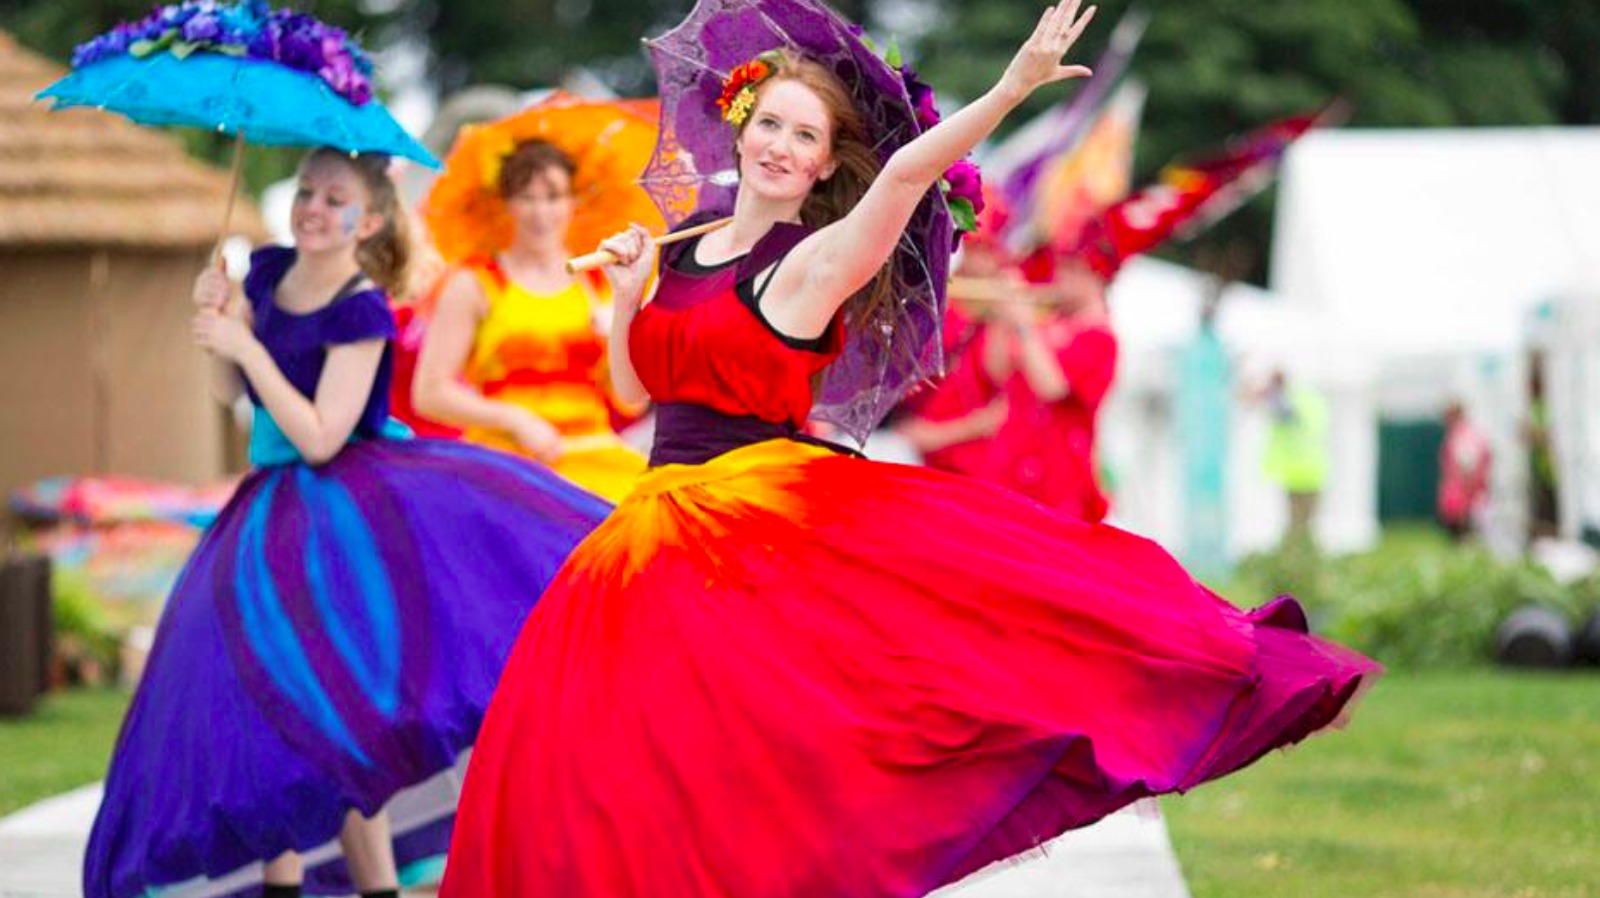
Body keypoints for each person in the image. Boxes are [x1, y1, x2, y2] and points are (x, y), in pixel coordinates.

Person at [442, 6, 1377, 896]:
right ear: (739, 128)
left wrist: (1010, 89)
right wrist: (626, 294)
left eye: (805, 136)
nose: (781, 146)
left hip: (751, 530)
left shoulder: (815, 261)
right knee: (600, 758)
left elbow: (900, 179)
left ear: (822, 164)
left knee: (754, 765)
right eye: (770, 124)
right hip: (645, 532)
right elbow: (632, 393)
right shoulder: (676, 255)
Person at [83, 148, 612, 898]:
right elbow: (233, 391)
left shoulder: (362, 308)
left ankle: (376, 885)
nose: (313, 208)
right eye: (306, 192)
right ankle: (289, 880)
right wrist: (222, 325)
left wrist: (247, 348)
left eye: (335, 200)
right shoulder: (267, 274)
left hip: (346, 515)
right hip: (268, 506)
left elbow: (321, 436)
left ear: (366, 222)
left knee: (344, 711)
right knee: (281, 707)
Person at [412, 139, 647, 501]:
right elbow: (429, 393)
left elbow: (632, 402)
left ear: (573, 202)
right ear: (508, 203)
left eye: (553, 197)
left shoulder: (603, 283)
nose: (541, 212)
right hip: (505, 460)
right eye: (527, 197)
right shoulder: (476, 282)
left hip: (593, 457)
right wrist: (515, 419)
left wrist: (619, 336)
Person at [983, 251, 1117, 522]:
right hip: (1011, 467)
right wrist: (1001, 319)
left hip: (1058, 480)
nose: (1060, 277)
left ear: (1096, 277)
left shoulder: (1101, 339)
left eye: (1072, 270)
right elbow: (996, 370)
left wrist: (1023, 324)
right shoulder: (1046, 325)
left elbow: (1051, 386)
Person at [1254, 368, 1329, 550]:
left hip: (1304, 473)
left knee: (1300, 524)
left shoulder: (1296, 400)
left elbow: (1285, 413)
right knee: (1303, 524)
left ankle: (1300, 556)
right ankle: (1303, 554)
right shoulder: (1308, 398)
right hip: (1305, 473)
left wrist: (1266, 394)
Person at [1438, 400, 1492, 540]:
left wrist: (1467, 483)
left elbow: (1467, 461)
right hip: (1464, 486)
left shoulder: (1463, 434)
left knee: (1463, 519)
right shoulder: (1462, 432)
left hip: (1463, 488)